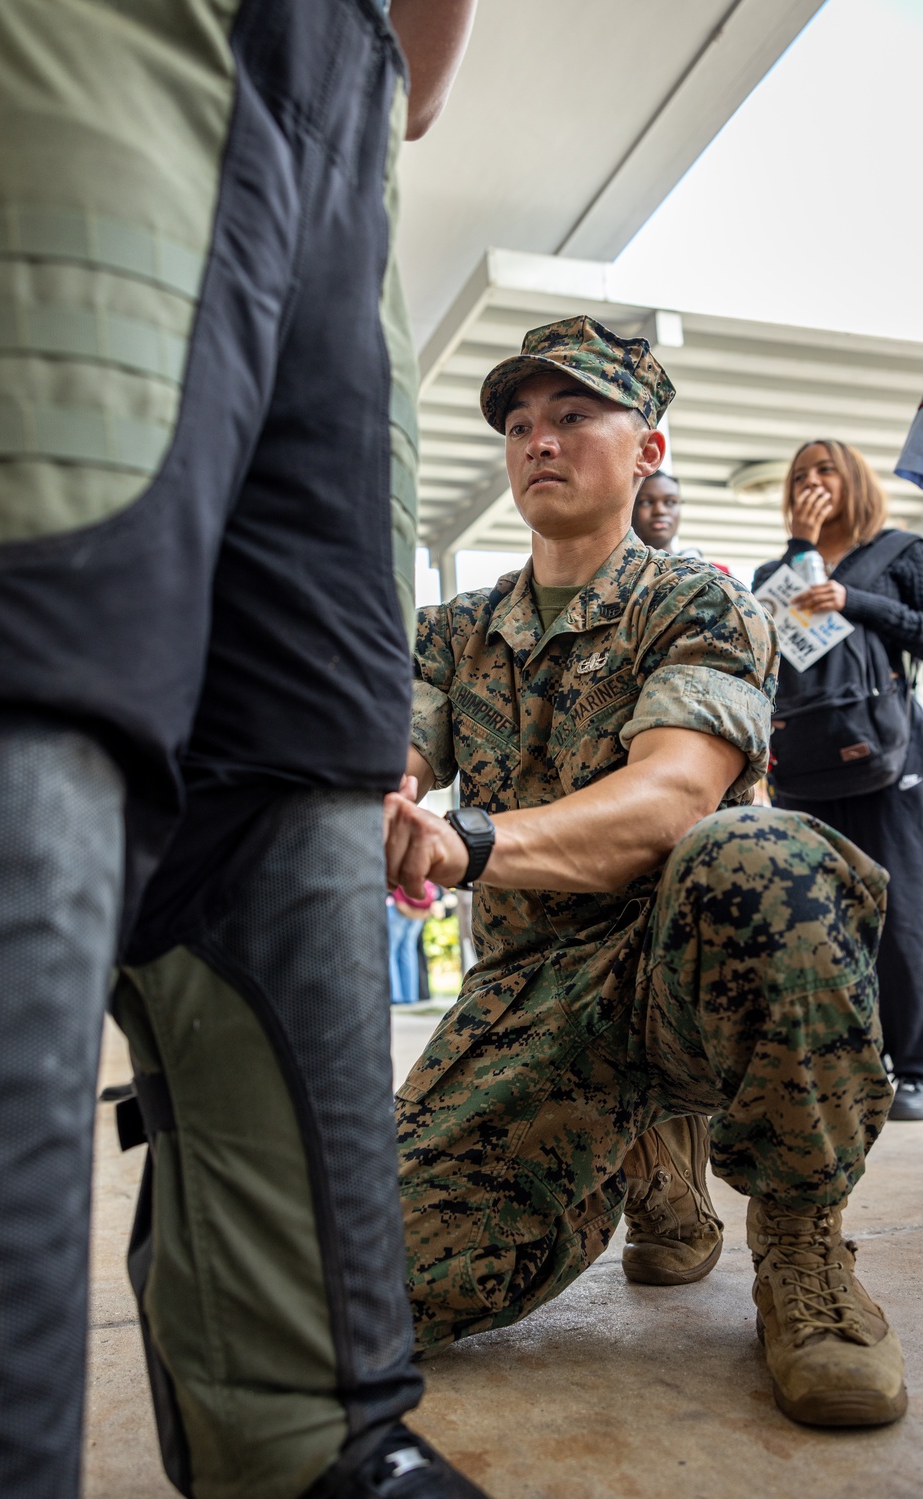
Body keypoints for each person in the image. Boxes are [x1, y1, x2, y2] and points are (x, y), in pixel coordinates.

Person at [0, 3, 485, 1498]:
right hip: (76, 49)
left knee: (297, 766)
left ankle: (310, 1436)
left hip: (340, 130)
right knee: (9, 634)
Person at [385, 315, 906, 1430]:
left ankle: (801, 1238)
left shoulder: (699, 602)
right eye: (521, 423)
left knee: (755, 855)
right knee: (354, 1276)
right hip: (533, 993)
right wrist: (374, 794)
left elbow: (668, 800)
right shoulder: (453, 632)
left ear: (647, 450)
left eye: (575, 416)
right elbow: (393, 749)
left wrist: (465, 839)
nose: (540, 440)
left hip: (686, 973)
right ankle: (647, 1170)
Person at [753, 440, 923, 1123]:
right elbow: (768, 657)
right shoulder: (778, 570)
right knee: (817, 914)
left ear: (853, 479)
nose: (812, 483)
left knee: (902, 908)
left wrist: (855, 601)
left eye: (825, 470)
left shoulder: (899, 553)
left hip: (890, 756)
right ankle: (843, 1061)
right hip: (803, 766)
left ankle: (912, 1067)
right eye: (800, 475)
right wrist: (802, 550)